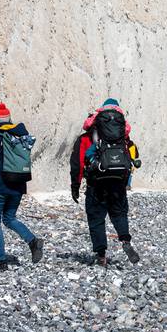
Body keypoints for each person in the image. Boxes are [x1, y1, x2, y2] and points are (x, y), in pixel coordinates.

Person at [70, 98, 141, 266]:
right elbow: (130, 157)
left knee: (96, 218)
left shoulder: (88, 137)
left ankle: (101, 255)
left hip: (96, 183)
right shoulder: (122, 136)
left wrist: (75, 185)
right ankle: (125, 241)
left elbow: (78, 162)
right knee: (119, 213)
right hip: (117, 183)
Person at [0, 102, 44, 269]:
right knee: (10, 218)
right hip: (18, 185)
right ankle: (33, 241)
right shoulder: (20, 134)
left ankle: (0, 260)